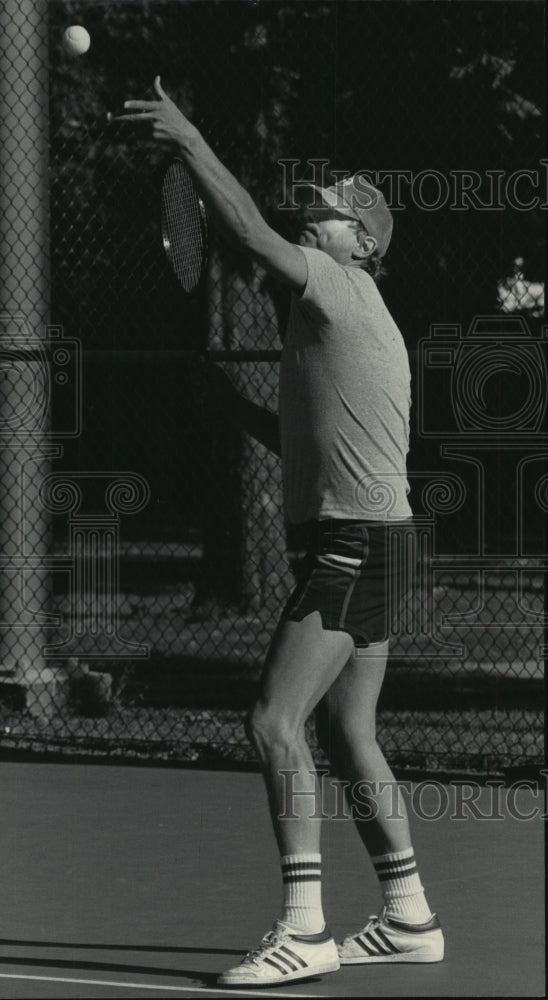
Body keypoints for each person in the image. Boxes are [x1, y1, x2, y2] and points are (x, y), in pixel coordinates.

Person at [116, 76, 444, 986]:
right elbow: (311, 440)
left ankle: (303, 929)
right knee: (349, 733)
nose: (313, 220)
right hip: (379, 538)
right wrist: (237, 409)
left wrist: (188, 138)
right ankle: (411, 915)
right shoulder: (334, 320)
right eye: (314, 211)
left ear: (364, 245)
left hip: (354, 544)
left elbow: (252, 233)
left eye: (331, 216)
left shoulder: (340, 287)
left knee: (272, 720)